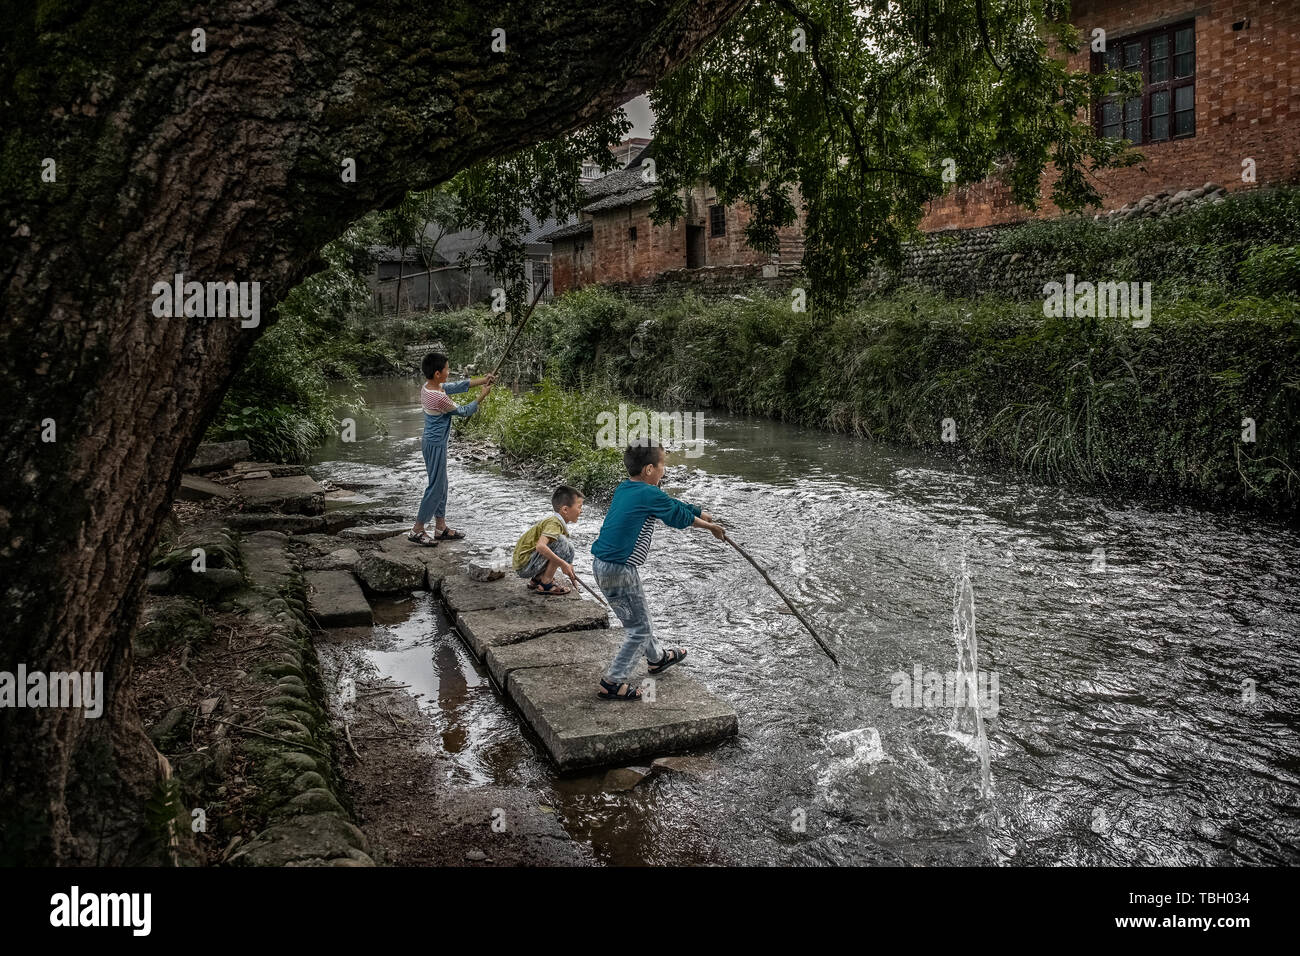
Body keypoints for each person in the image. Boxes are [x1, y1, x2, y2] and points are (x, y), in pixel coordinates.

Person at [590, 443, 725, 701]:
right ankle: (612, 682)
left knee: (639, 619)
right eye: (662, 465)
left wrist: (699, 511)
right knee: (639, 628)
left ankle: (657, 658)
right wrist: (709, 526)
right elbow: (675, 515)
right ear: (650, 469)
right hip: (620, 570)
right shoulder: (648, 494)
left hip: (603, 565)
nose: (665, 470)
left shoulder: (627, 487)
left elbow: (670, 503)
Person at [407, 353, 493, 547]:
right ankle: (417, 529)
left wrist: (482, 380)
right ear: (438, 373)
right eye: (446, 369)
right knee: (435, 488)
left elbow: (455, 386)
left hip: (434, 442)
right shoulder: (438, 398)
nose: (449, 371)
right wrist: (482, 395)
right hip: (435, 444)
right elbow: (463, 411)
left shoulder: (429, 387)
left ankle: (440, 527)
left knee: (441, 485)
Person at [512, 485, 584, 595]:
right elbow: (540, 546)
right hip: (524, 565)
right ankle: (546, 583)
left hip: (528, 563)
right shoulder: (554, 523)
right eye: (579, 507)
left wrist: (574, 581)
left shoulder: (557, 523)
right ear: (565, 509)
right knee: (562, 542)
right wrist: (563, 564)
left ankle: (537, 579)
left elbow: (568, 558)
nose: (581, 511)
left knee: (569, 548)